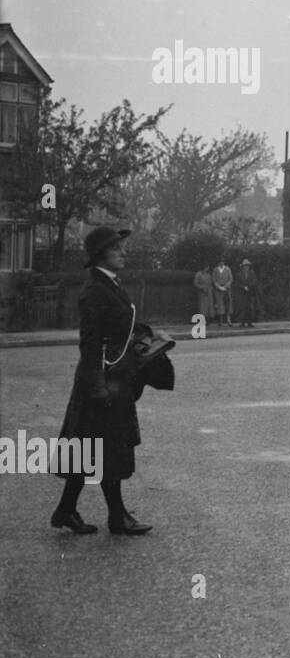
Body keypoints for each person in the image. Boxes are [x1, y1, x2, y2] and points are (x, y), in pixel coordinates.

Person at [51, 227, 153, 536]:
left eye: (123, 248)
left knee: (90, 447)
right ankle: (117, 516)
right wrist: (97, 386)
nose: (124, 253)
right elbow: (90, 342)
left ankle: (66, 510)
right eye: (117, 249)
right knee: (107, 447)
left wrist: (145, 334)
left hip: (110, 377)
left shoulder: (108, 284)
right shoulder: (95, 290)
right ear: (100, 255)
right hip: (102, 379)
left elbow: (119, 326)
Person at [234, 259, 259, 327]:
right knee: (242, 308)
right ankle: (242, 322)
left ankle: (249, 322)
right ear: (242, 267)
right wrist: (243, 287)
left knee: (250, 308)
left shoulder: (252, 273)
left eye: (247, 266)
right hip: (242, 294)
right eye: (245, 266)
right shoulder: (239, 274)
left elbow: (254, 281)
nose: (246, 267)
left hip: (250, 293)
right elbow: (237, 284)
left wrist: (249, 287)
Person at [212, 258, 233, 327]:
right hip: (218, 290)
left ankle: (228, 321)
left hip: (227, 290)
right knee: (220, 305)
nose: (221, 263)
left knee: (228, 305)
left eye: (222, 262)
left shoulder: (228, 269)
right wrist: (219, 287)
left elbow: (230, 279)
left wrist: (226, 286)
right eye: (219, 262)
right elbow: (214, 280)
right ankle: (220, 321)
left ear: (224, 262)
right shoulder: (215, 270)